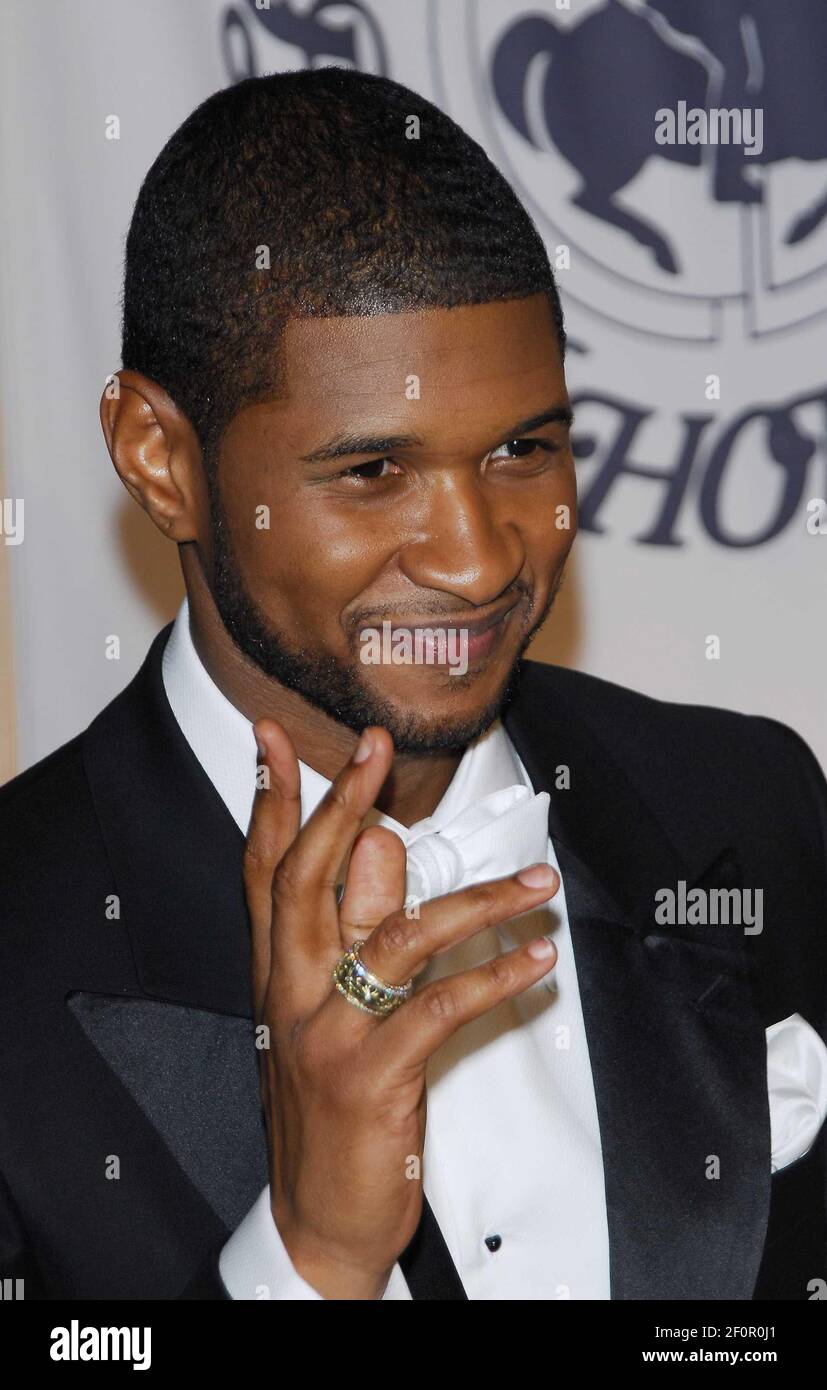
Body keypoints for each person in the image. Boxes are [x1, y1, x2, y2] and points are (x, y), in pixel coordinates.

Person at [1, 67, 825, 1302]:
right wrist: (310, 1262)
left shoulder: (743, 804)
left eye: (521, 450)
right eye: (376, 470)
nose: (480, 556)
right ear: (160, 460)